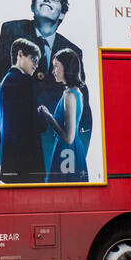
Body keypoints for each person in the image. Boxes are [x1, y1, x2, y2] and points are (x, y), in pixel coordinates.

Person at [0, 0, 85, 172]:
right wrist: (2, 151)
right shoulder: (10, 30)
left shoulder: (74, 50)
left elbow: (84, 115)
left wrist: (76, 153)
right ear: (32, 6)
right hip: (22, 150)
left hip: (60, 151)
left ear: (63, 12)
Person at [0, 38, 46, 183]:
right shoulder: (25, 81)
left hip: (10, 167)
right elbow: (38, 125)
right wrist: (43, 115)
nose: (36, 65)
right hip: (28, 168)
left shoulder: (1, 87)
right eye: (34, 59)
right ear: (20, 54)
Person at [37, 48, 91, 183]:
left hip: (67, 152)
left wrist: (48, 116)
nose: (53, 71)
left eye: (56, 66)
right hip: (70, 152)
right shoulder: (76, 92)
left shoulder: (69, 95)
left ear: (66, 67)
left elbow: (69, 138)